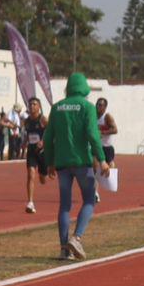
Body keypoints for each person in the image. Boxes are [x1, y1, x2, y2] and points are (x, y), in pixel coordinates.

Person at [42, 72, 109, 260]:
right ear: (84, 88)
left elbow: (48, 138)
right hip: (82, 162)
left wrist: (49, 163)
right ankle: (77, 237)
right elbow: (93, 135)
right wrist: (101, 159)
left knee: (64, 205)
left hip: (62, 163)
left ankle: (64, 248)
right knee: (89, 200)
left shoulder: (57, 108)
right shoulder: (88, 107)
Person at [20, 96, 48, 214]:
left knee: (43, 179)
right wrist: (24, 143)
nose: (31, 106)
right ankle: (30, 202)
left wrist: (43, 141)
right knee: (30, 175)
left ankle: (45, 173)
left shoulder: (43, 120)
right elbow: (28, 133)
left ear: (39, 107)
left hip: (42, 152)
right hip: (31, 151)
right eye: (30, 104)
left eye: (34, 104)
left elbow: (51, 132)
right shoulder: (26, 121)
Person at [96, 96, 118, 206]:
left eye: (101, 105)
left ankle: (112, 183)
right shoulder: (93, 116)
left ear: (105, 107)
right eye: (97, 104)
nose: (98, 107)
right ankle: (95, 192)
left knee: (110, 166)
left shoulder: (107, 117)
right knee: (94, 167)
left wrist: (103, 132)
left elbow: (115, 129)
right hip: (97, 147)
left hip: (107, 146)